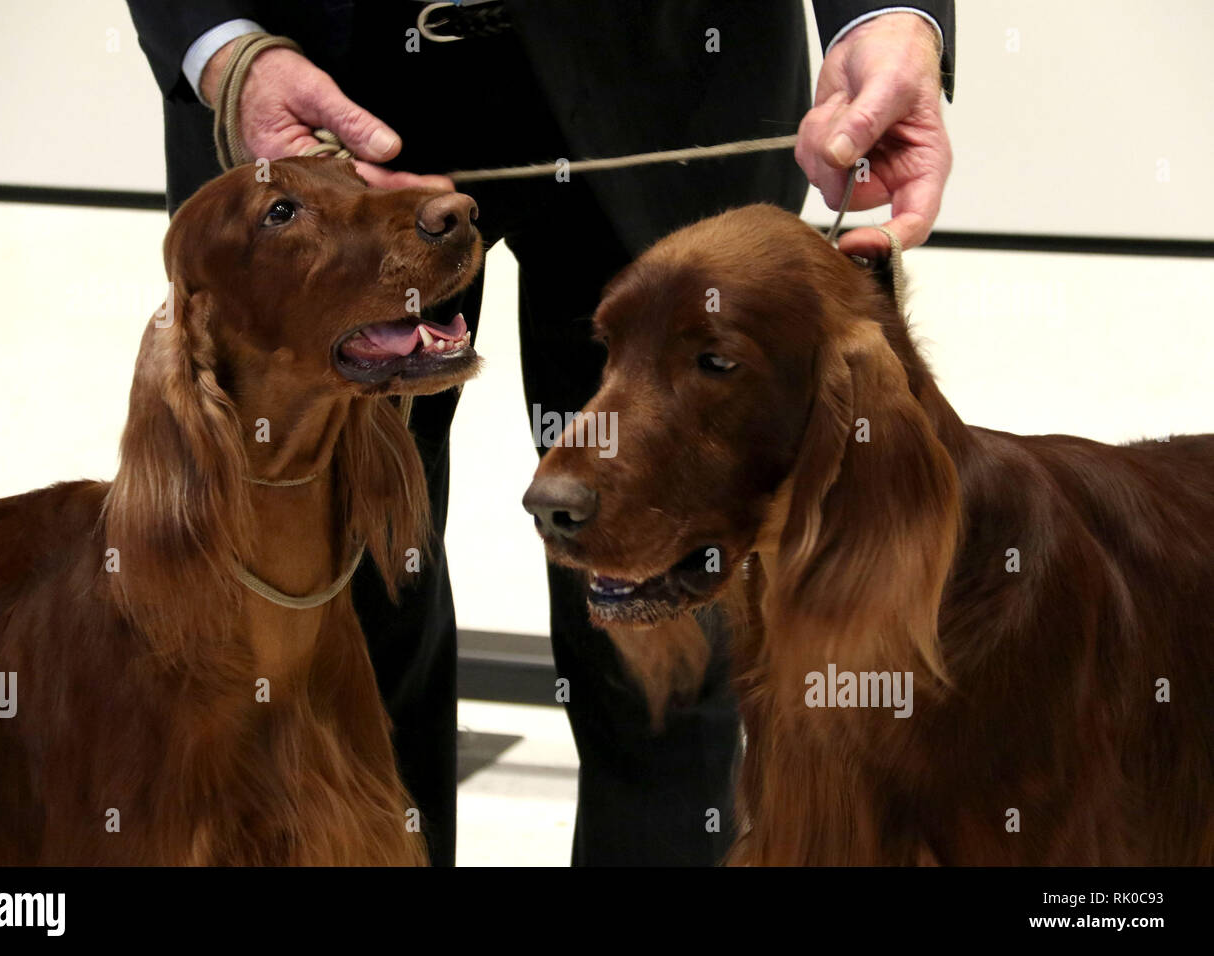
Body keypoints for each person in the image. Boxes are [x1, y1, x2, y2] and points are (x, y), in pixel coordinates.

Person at [126, 0, 955, 866]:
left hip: (675, 76)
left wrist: (885, 12)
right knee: (331, 613)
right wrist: (221, 45)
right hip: (321, 95)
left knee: (667, 621)